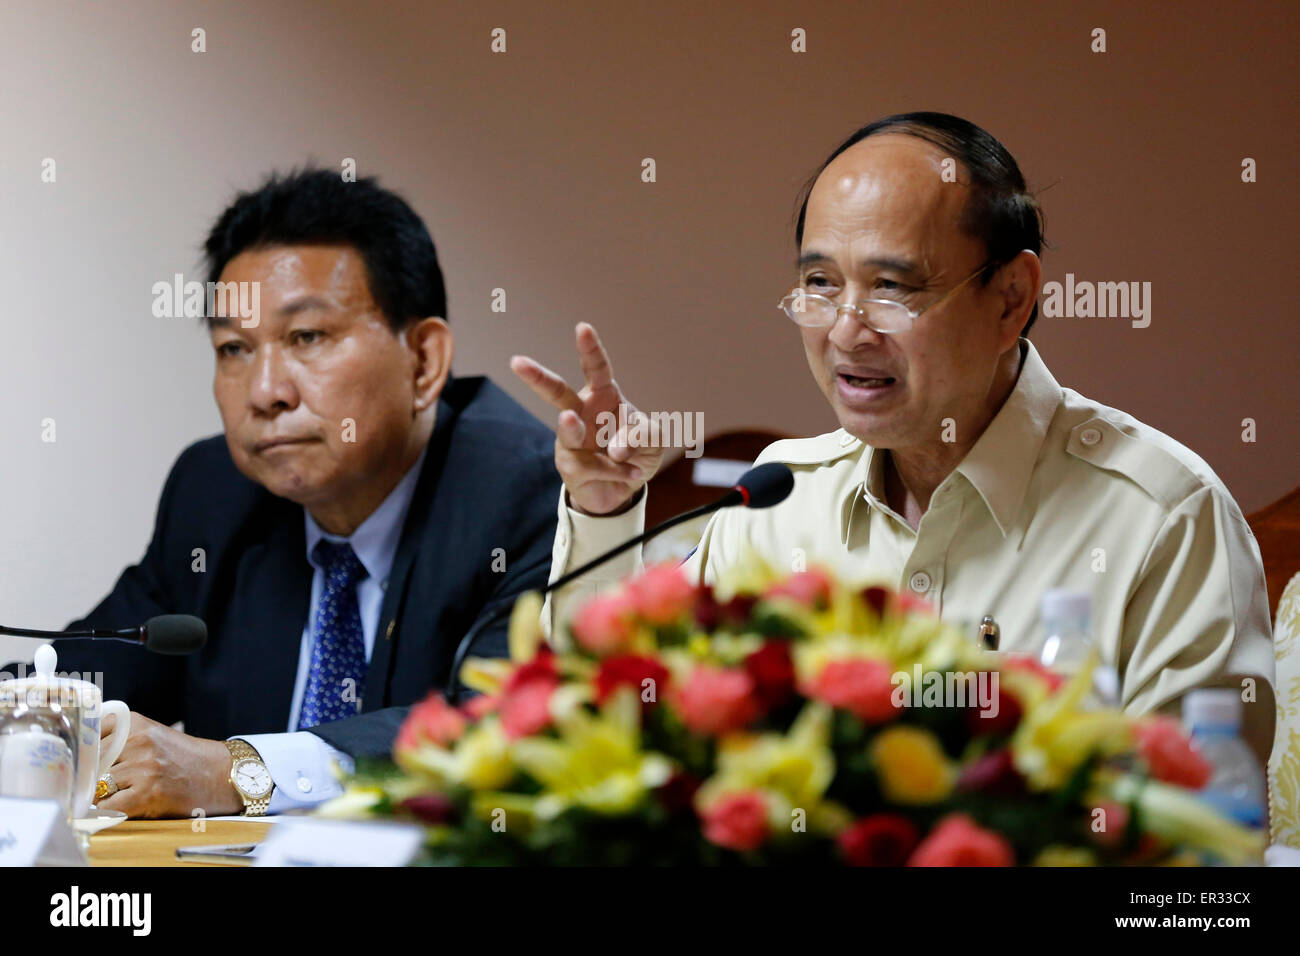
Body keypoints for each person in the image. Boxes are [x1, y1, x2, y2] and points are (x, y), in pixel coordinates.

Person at [511, 111, 1275, 763]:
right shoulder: (777, 500)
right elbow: (614, 726)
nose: (847, 331)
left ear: (1011, 300)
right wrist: (605, 509)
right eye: (819, 283)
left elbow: (1201, 846)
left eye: (892, 287)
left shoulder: (1161, 518)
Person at [43, 169, 560, 818]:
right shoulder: (214, 492)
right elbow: (87, 679)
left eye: (307, 337)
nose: (266, 392)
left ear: (424, 361)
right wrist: (22, 718)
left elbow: (503, 728)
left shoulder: (527, 495)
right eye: (235, 348)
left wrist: (235, 772)